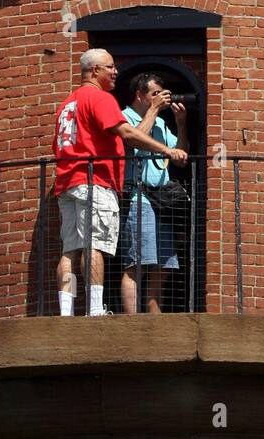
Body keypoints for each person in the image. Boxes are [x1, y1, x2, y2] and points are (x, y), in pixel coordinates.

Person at [54, 49, 188, 316]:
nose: (115, 71)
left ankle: (66, 313)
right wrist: (165, 150)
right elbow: (128, 133)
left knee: (70, 251)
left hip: (68, 181)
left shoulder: (68, 103)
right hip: (95, 180)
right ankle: (94, 310)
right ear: (94, 71)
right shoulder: (99, 97)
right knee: (95, 246)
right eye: (110, 67)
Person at [120, 74, 189, 315]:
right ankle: (133, 323)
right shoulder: (125, 116)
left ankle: (155, 322)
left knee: (162, 267)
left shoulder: (161, 123)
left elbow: (179, 157)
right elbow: (135, 140)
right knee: (138, 263)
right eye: (154, 94)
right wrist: (154, 111)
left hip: (164, 200)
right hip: (140, 197)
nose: (159, 98)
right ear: (139, 95)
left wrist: (180, 123)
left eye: (162, 94)